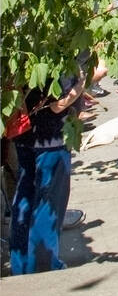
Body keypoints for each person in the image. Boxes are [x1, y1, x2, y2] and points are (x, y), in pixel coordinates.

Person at [9, 69, 86, 273]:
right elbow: (58, 104)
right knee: (48, 201)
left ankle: (21, 266)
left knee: (24, 198)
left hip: (24, 132)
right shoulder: (62, 45)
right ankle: (44, 267)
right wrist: (83, 82)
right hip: (53, 135)